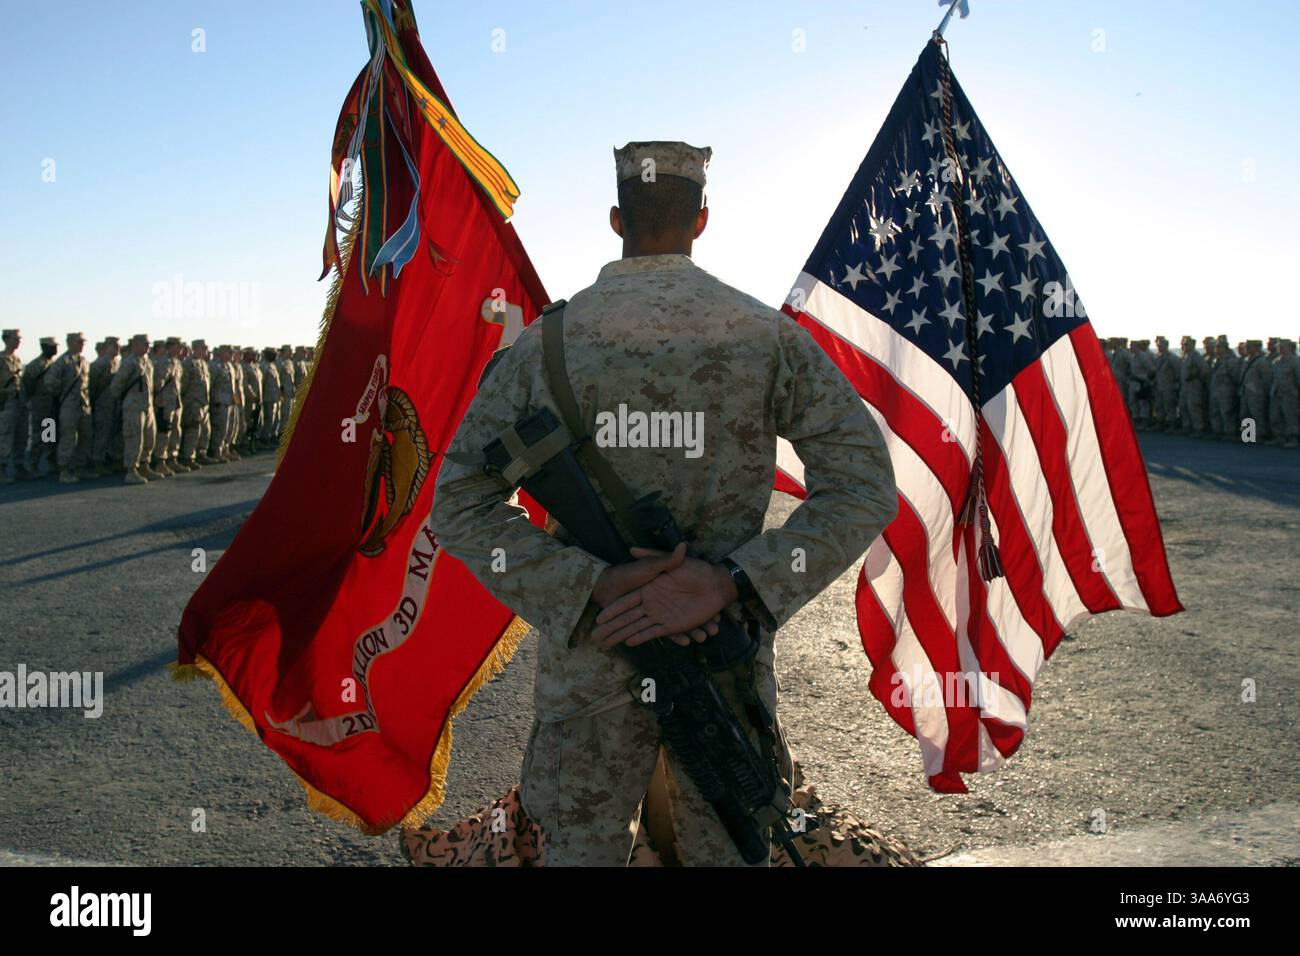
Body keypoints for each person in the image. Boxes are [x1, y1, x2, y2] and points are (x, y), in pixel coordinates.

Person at [428, 141, 897, 866]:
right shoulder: (766, 337)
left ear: (617, 218)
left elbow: (458, 500)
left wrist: (591, 587)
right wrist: (731, 581)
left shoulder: (544, 343)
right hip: (721, 665)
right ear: (701, 220)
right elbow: (864, 484)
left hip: (591, 664)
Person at [42, 331, 94, 483]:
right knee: (68, 437)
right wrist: (62, 394)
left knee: (85, 436)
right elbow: (50, 382)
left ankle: (80, 467)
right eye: (79, 342)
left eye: (83, 342)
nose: (82, 344)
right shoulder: (62, 362)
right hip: (68, 406)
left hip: (84, 405)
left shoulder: (84, 361)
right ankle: (63, 469)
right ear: (70, 342)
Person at [111, 333, 158, 484]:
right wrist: (128, 400)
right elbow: (116, 387)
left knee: (149, 437)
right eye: (145, 344)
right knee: (134, 438)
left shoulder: (147, 362)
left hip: (147, 405)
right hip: (133, 407)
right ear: (136, 345)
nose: (147, 347)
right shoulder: (129, 362)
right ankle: (131, 470)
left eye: (148, 344)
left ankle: (144, 465)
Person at [21, 336, 59, 476]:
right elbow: (27, 387)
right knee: (39, 436)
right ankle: (33, 463)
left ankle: (50, 462)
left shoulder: (54, 364)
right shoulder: (35, 366)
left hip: (51, 405)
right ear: (44, 347)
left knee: (50, 435)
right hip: (40, 406)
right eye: (52, 346)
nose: (55, 349)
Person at [152, 337, 186, 475]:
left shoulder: (177, 362)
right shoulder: (163, 363)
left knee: (175, 432)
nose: (181, 349)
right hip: (164, 403)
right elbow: (156, 385)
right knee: (163, 434)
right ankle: (160, 461)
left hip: (175, 402)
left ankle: (172, 459)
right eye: (178, 346)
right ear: (170, 347)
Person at [88, 336, 121, 475]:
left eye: (118, 346)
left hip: (112, 405)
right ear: (107, 347)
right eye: (114, 346)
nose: (117, 348)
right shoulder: (99, 364)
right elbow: (92, 386)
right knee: (101, 433)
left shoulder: (116, 363)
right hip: (101, 404)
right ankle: (97, 461)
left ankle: (108, 459)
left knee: (110, 433)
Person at [180, 339, 214, 468]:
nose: (205, 350)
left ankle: (201, 454)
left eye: (205, 348)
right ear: (195, 349)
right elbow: (183, 386)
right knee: (193, 431)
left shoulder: (203, 364)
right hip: (192, 403)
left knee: (204, 431)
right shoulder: (188, 364)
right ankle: (188, 457)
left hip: (203, 403)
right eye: (202, 348)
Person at [0, 328, 28, 483]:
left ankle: (19, 467)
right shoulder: (1, 359)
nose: (18, 341)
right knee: (5, 435)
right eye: (15, 338)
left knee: (21, 435)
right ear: (6, 339)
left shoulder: (17, 359)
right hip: (6, 403)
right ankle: (1, 468)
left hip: (20, 402)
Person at [1238, 338, 1272, 445]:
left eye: (1249, 347)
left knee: (1257, 414)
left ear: (1257, 347)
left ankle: (1259, 436)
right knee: (1245, 414)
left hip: (1256, 393)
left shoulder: (1261, 361)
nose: (1247, 349)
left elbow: (1267, 378)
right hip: (1246, 392)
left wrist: (1263, 391)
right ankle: (1247, 436)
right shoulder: (1247, 360)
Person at [259, 347, 282, 446]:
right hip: (267, 397)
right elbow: (262, 383)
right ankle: (265, 439)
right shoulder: (264, 366)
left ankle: (271, 436)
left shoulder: (272, 366)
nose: (276, 356)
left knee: (274, 419)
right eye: (274, 354)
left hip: (274, 397)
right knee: (268, 419)